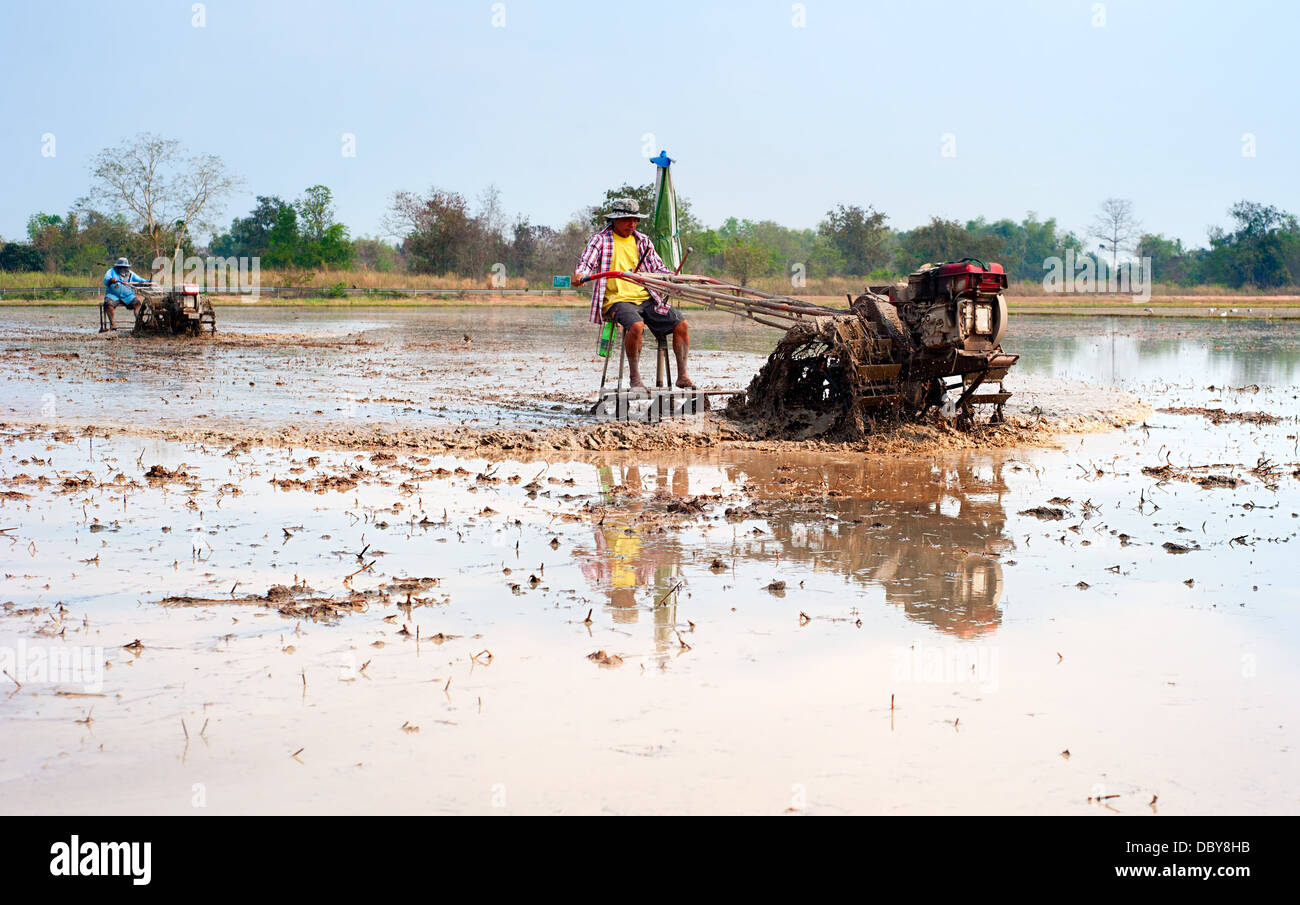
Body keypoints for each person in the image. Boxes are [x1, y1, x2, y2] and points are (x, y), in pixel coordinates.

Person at [573, 198, 695, 389]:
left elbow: (659, 268)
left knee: (681, 323)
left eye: (635, 220)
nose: (632, 224)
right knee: (636, 326)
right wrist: (580, 275)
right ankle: (635, 379)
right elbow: (586, 263)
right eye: (627, 219)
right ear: (615, 220)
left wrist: (672, 278)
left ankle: (683, 376)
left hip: (647, 297)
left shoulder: (643, 241)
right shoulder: (601, 240)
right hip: (617, 300)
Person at [102, 257, 147, 331]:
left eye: (125, 267)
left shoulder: (131, 274)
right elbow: (106, 279)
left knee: (138, 304)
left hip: (128, 296)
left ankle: (139, 322)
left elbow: (140, 280)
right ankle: (113, 324)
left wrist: (148, 282)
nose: (123, 269)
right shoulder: (111, 271)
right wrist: (111, 280)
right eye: (121, 267)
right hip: (113, 295)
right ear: (117, 267)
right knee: (108, 304)